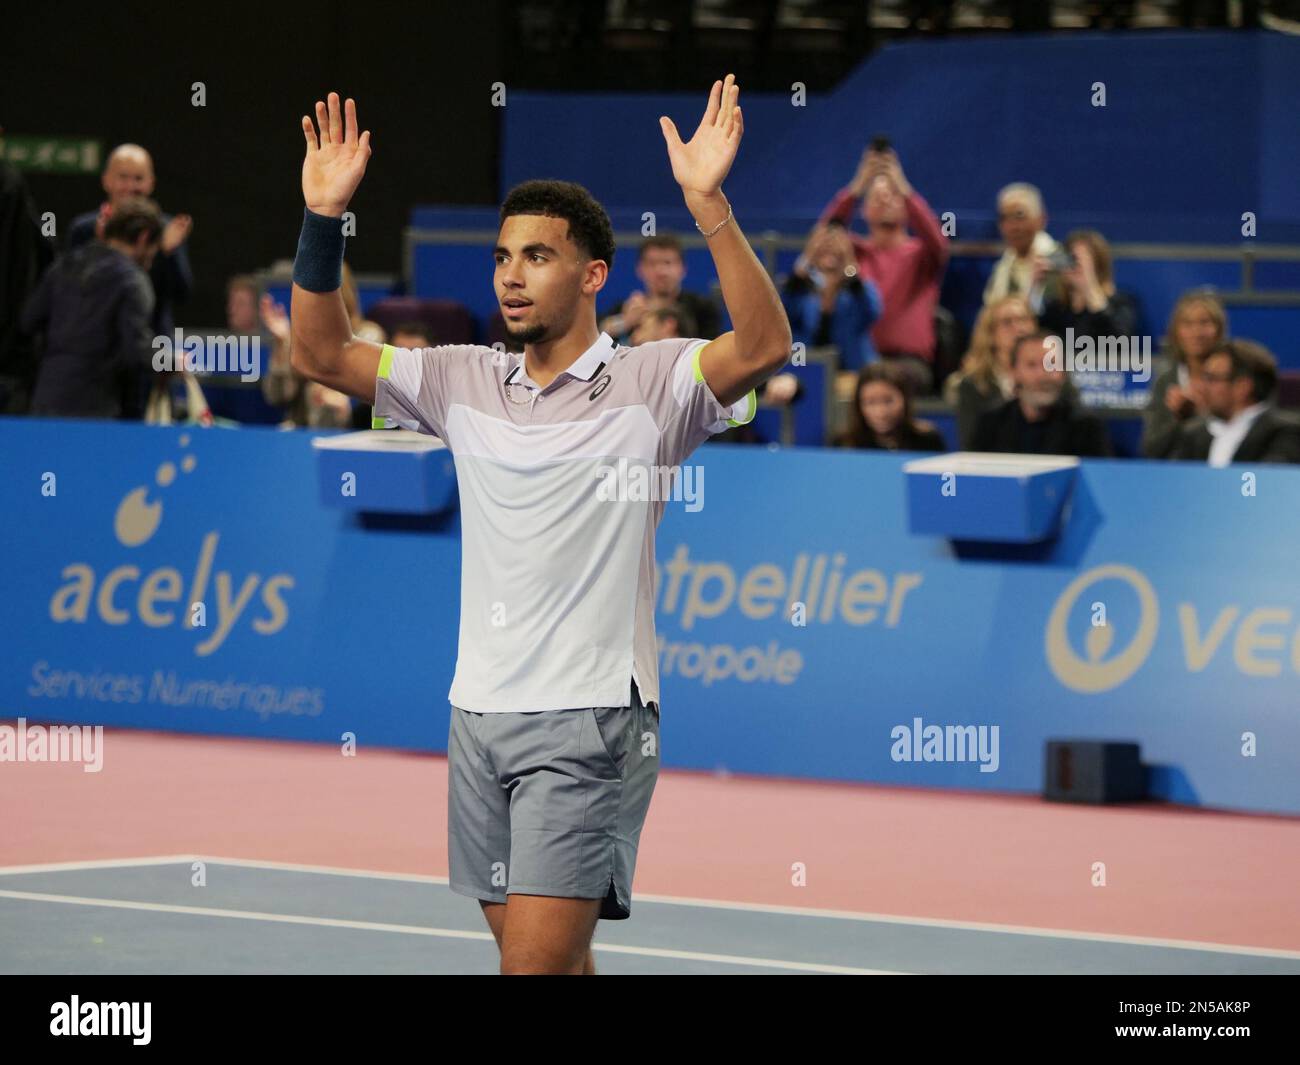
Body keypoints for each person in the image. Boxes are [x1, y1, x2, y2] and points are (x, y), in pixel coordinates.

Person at [287, 83, 790, 974]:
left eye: (538, 257)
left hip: (591, 720)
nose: (511, 275)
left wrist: (710, 211)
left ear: (594, 275)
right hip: (476, 716)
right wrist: (323, 218)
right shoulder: (458, 379)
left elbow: (762, 347)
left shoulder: (654, 384)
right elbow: (320, 354)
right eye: (502, 256)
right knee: (554, 965)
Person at [819, 144, 948, 393]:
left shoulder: (923, 255)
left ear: (907, 207)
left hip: (909, 366)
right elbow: (823, 238)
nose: (884, 198)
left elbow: (939, 242)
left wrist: (902, 185)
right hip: (856, 361)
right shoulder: (853, 252)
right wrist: (857, 186)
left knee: (870, 385)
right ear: (864, 210)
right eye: (875, 196)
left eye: (893, 194)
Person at [22, 197, 162, 419]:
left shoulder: (64, 265)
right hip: (94, 410)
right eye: (156, 247)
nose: (154, 256)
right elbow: (136, 350)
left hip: (45, 401)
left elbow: (28, 320)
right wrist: (170, 361)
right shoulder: (133, 281)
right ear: (144, 237)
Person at [65, 144, 192, 339]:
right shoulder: (84, 229)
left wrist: (167, 252)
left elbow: (181, 293)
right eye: (123, 177)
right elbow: (73, 290)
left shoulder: (168, 230)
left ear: (151, 183)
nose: (131, 187)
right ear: (106, 180)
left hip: (153, 340)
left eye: (138, 178)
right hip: (96, 341)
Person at [261, 262, 382, 428]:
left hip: (350, 433)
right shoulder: (300, 339)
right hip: (301, 435)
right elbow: (277, 396)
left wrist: (343, 402)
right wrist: (282, 343)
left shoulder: (367, 335)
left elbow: (371, 400)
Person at [971, 332, 1112, 457]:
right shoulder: (990, 424)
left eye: (1051, 364)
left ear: (1063, 372)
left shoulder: (1086, 427)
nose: (1042, 375)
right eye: (1031, 365)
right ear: (1014, 372)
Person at [1171, 339, 1300, 465]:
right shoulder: (1194, 433)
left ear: (1243, 387)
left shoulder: (1285, 433)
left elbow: (1267, 482)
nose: (1202, 387)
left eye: (1211, 378)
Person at [781, 219, 882, 372]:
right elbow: (782, 312)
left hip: (855, 371)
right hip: (806, 370)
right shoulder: (799, 289)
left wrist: (849, 263)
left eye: (837, 247)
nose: (830, 249)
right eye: (822, 247)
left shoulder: (858, 289)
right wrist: (808, 257)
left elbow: (872, 311)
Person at [1141, 290, 1226, 459]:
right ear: (1176, 332)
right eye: (1187, 324)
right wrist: (1178, 418)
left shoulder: (1230, 379)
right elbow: (1151, 449)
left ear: (1219, 329)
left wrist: (1203, 412)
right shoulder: (1165, 383)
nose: (1197, 332)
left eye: (1204, 322)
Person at [944, 295, 1036, 448]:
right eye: (1007, 322)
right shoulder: (972, 385)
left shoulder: (1052, 377)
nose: (1018, 328)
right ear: (991, 335)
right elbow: (970, 444)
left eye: (1023, 320)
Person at [599, 233, 721, 342]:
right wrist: (625, 322)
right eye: (652, 264)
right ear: (640, 269)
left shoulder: (703, 309)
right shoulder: (626, 308)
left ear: (682, 268)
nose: (661, 271)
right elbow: (598, 334)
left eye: (668, 263)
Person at [1036, 229, 1137, 340]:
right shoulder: (1055, 309)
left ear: (1099, 265)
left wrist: (1089, 287)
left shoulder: (1121, 303)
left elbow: (1120, 343)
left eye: (1083, 262)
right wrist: (1034, 286)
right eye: (1071, 259)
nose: (1076, 267)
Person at [982, 183, 1060, 307]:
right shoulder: (1002, 269)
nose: (1012, 227)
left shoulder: (1058, 264)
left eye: (1019, 216)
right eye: (1004, 218)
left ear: (1041, 220)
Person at [839, 361, 944, 451]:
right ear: (858, 404)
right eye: (870, 402)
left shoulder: (928, 441)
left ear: (905, 399)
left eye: (888, 401)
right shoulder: (844, 445)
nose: (880, 412)